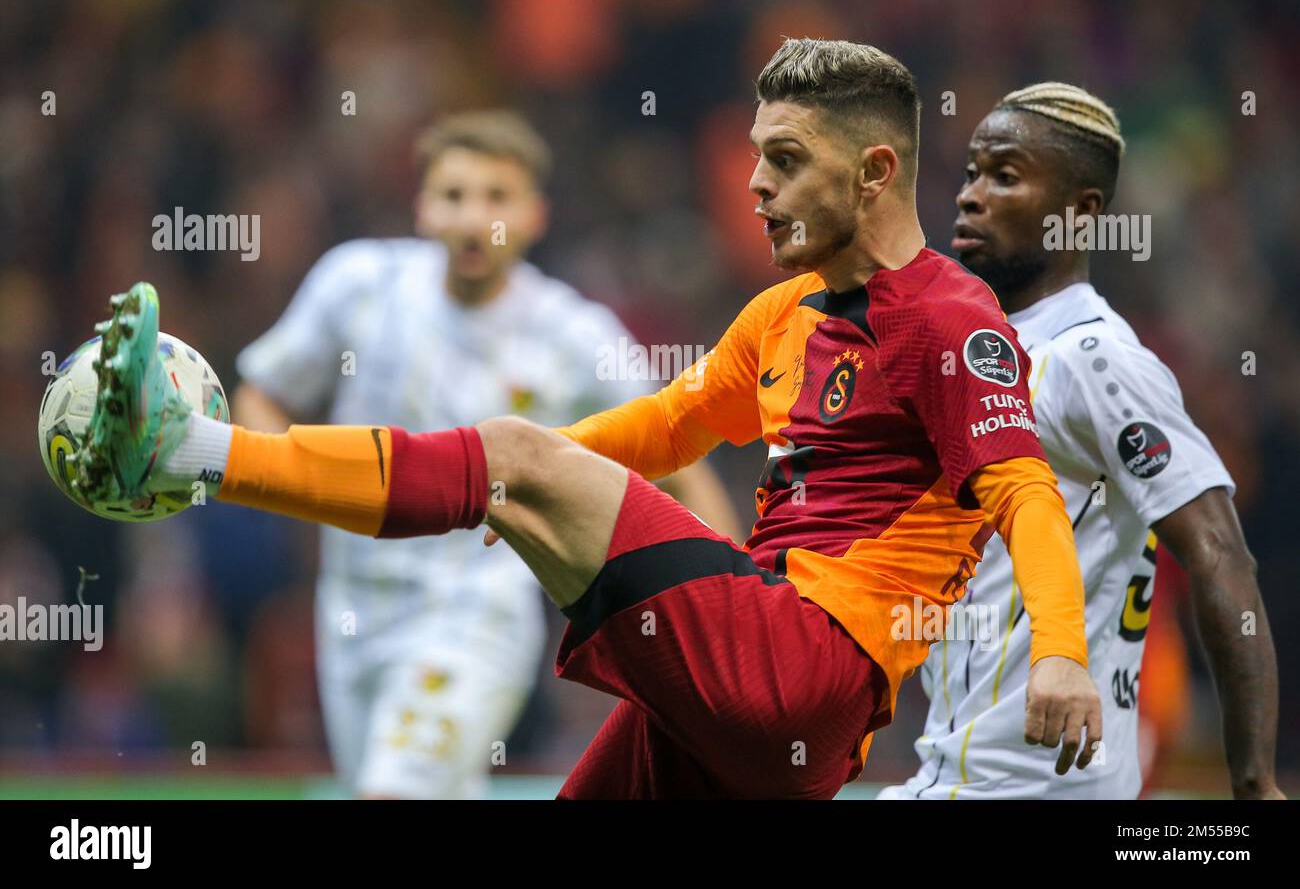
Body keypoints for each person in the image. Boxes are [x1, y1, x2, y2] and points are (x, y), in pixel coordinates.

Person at [76, 39, 1101, 799]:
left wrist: (1060, 647)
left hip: (803, 656)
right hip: (763, 712)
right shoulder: (784, 313)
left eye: (785, 159)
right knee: (519, 463)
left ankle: (181, 451)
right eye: (755, 154)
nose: (752, 184)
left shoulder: (949, 319)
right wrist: (488, 483)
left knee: (516, 452)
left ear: (875, 171)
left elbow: (1022, 488)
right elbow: (659, 428)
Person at [232, 110, 741, 798]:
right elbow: (261, 394)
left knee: (397, 791)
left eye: (497, 197)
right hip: (352, 611)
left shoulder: (575, 336)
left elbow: (679, 467)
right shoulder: (358, 285)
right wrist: (293, 483)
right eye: (454, 195)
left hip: (477, 611)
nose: (475, 218)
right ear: (423, 208)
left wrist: (738, 604)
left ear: (534, 214)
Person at [879, 82, 1282, 799]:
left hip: (1035, 790)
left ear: (1080, 213)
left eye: (1005, 176)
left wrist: (1254, 784)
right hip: (955, 775)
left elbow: (1222, 554)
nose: (971, 195)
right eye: (972, 173)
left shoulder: (1092, 359)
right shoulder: (977, 355)